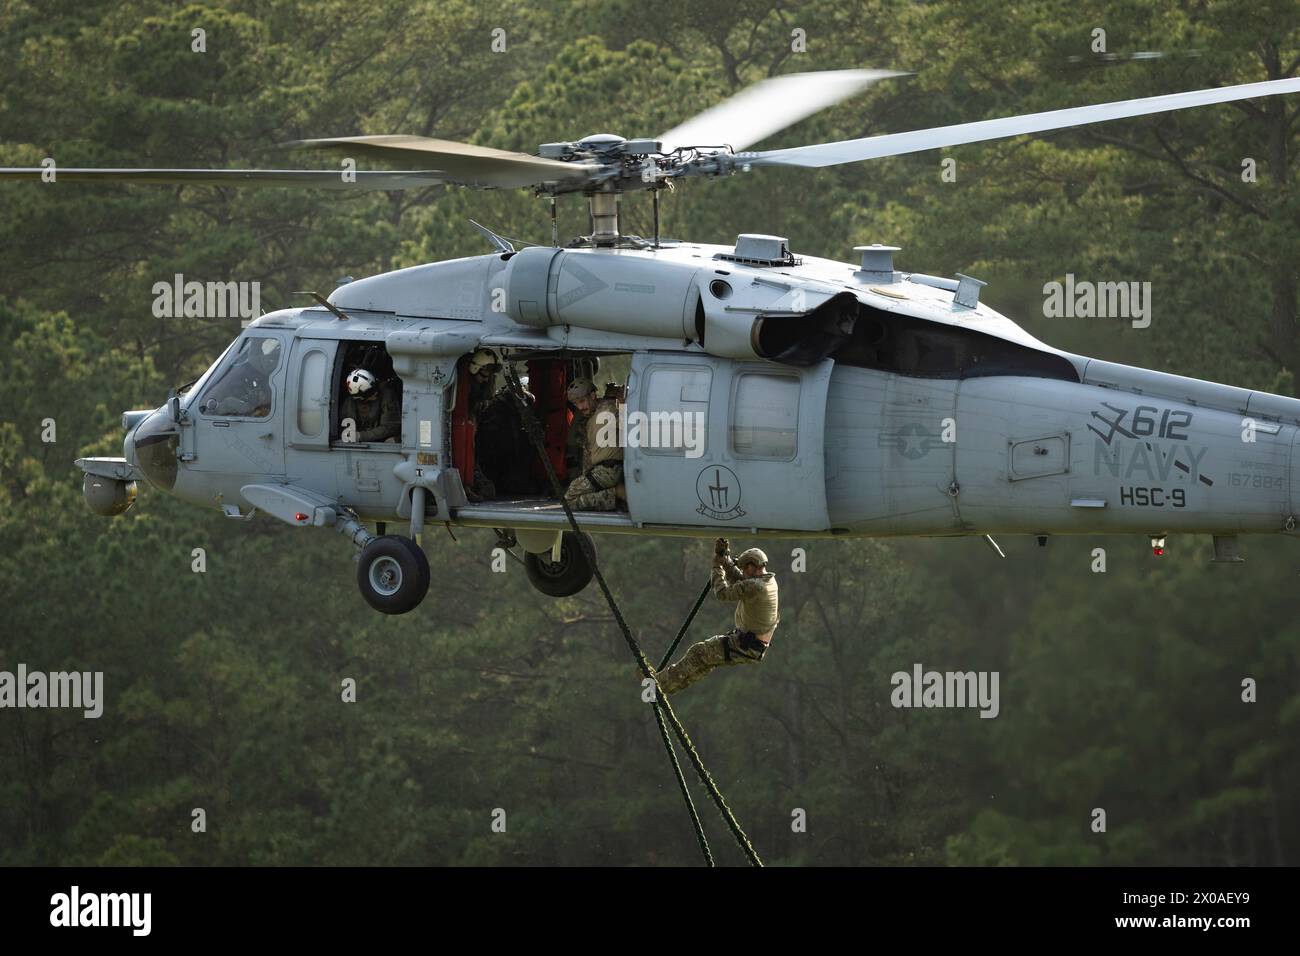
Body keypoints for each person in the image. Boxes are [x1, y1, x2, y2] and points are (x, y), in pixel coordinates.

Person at [653, 539, 779, 696]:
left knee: (698, 652)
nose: (744, 572)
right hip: (751, 647)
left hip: (745, 645)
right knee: (704, 661)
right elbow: (741, 579)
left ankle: (658, 684)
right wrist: (725, 560)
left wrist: (716, 567)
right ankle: (666, 688)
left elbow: (722, 593)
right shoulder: (767, 581)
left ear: (751, 567)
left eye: (745, 569)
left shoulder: (755, 586)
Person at [563, 377, 623, 511]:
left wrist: (622, 403)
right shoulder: (591, 417)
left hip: (608, 470)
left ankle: (618, 494)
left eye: (582, 401)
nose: (580, 407)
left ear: (593, 396)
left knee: (569, 500)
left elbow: (629, 424)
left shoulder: (607, 409)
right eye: (576, 404)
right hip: (602, 470)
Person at [340, 367, 401, 443]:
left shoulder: (387, 395)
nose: (375, 393)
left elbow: (390, 426)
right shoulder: (349, 403)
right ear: (359, 397)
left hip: (383, 438)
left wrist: (361, 436)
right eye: (369, 392)